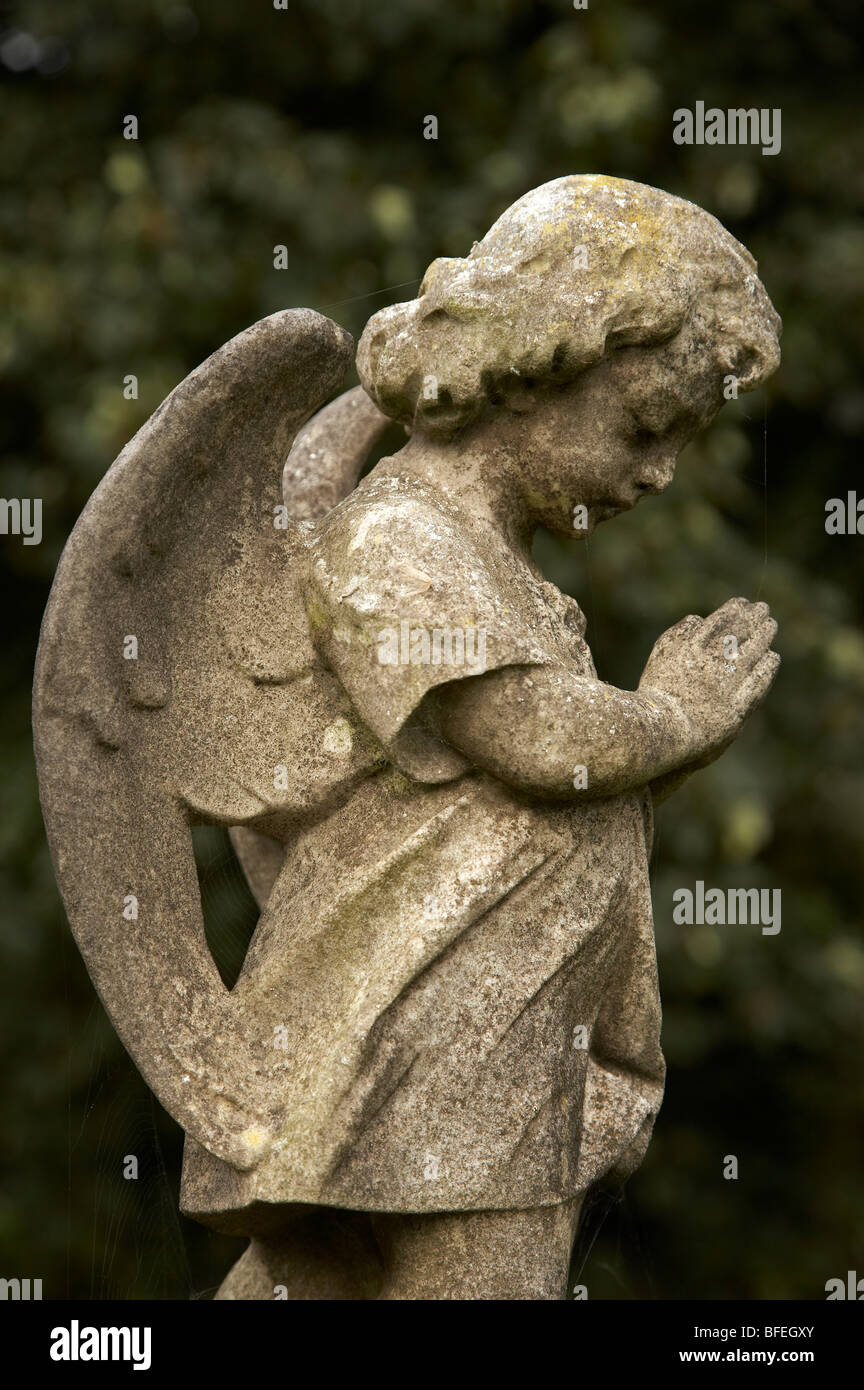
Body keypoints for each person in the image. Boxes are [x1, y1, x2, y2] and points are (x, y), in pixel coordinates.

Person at [190, 174, 781, 1299]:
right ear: (535, 361)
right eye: (644, 426)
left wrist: (656, 751)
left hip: (483, 1032)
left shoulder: (514, 582)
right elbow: (529, 734)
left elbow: (533, 797)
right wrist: (670, 718)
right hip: (442, 1042)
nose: (656, 473)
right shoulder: (401, 536)